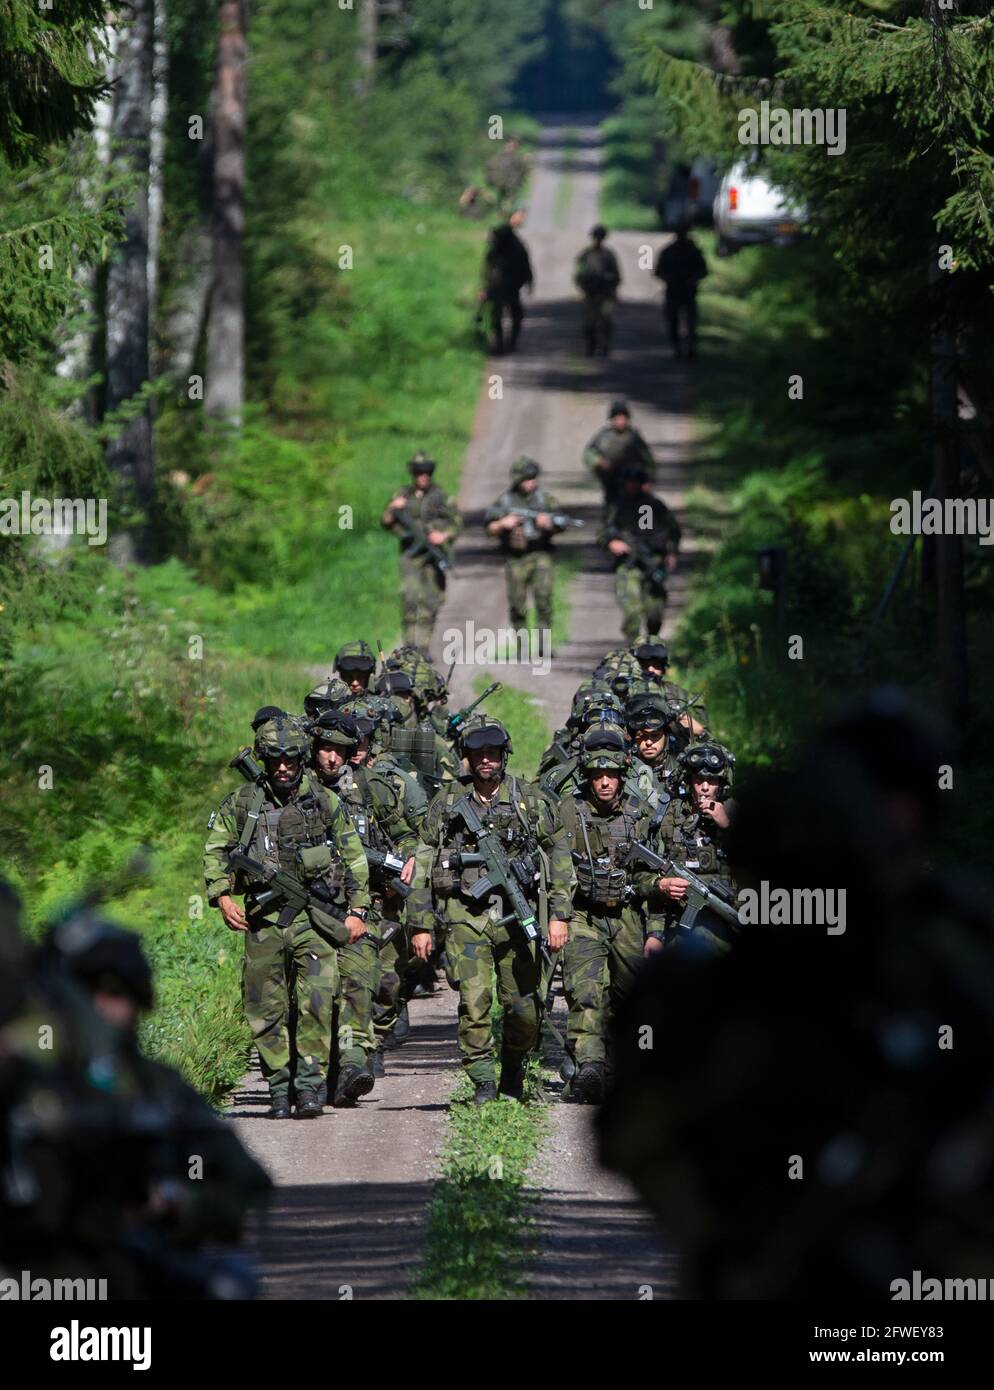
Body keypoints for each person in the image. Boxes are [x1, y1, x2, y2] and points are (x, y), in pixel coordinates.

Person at [203, 715, 370, 1119]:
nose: (282, 767)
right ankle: (279, 1088)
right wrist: (222, 896)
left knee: (316, 1001)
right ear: (263, 759)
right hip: (263, 922)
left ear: (301, 759)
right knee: (265, 1007)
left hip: (314, 922)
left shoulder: (324, 801)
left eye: (290, 759)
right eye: (274, 759)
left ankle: (309, 1087)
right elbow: (215, 850)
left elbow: (353, 856)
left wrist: (358, 909)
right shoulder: (243, 803)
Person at [407, 715, 574, 1104]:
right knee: (473, 1001)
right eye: (478, 753)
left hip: (519, 917)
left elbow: (560, 853)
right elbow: (422, 860)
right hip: (467, 917)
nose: (486, 760)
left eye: (493, 753)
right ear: (467, 757)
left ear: (504, 755)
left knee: (525, 1009)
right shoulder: (448, 802)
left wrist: (559, 915)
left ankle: (513, 1070)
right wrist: (420, 923)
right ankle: (482, 1080)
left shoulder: (528, 800)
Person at [309, 710, 420, 1086]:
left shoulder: (372, 787)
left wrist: (405, 862)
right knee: (324, 986)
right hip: (315, 904)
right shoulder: (300, 789)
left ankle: (370, 1045)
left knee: (382, 984)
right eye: (326, 748)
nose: (333, 757)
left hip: (373, 900)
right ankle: (337, 1062)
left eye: (342, 749)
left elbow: (404, 834)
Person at [559, 735, 665, 1103]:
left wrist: (655, 932)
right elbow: (553, 870)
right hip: (582, 916)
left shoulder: (641, 815)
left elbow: (653, 879)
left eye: (611, 774)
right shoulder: (567, 813)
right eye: (597, 774)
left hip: (628, 917)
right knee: (586, 991)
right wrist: (556, 919)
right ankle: (589, 1065)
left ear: (622, 776)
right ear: (587, 776)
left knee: (630, 997)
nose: (604, 781)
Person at [649, 742, 739, 958]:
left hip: (730, 924)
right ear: (689, 782)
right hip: (679, 927)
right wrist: (655, 933)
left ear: (721, 784)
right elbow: (650, 874)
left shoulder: (737, 813)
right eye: (699, 780)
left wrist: (728, 827)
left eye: (711, 781)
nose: (705, 787)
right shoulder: (669, 816)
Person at [483, 456, 567, 652]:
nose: (531, 483)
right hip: (516, 558)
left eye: (534, 478)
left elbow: (561, 523)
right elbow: (489, 527)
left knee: (544, 600)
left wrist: (549, 525)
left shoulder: (545, 499)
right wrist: (503, 524)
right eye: (527, 479)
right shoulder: (505, 501)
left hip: (540, 555)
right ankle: (522, 645)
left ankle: (543, 645)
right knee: (517, 604)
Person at [380, 452, 461, 647]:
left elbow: (457, 523)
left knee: (432, 600)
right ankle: (409, 644)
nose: (423, 476)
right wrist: (392, 508)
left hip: (434, 554)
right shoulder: (403, 495)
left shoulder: (441, 496)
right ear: (413, 473)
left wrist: (443, 535)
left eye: (427, 472)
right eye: (419, 472)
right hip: (412, 556)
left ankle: (424, 645)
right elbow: (385, 522)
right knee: (410, 598)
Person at [599, 467, 681, 644]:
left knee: (654, 613)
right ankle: (633, 651)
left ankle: (652, 648)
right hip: (628, 565)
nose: (633, 487)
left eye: (637, 483)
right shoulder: (616, 507)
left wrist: (672, 552)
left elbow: (673, 530)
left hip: (653, 563)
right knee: (632, 612)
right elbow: (603, 532)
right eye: (630, 483)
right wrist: (611, 542)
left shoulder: (655, 506)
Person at [582, 401, 655, 509]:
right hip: (612, 481)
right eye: (617, 418)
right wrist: (599, 462)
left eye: (623, 418)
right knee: (612, 509)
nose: (621, 422)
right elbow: (589, 453)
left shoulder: (634, 438)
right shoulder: (604, 437)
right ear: (612, 420)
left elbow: (648, 460)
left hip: (634, 483)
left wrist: (648, 480)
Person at [653, 219, 708, 359]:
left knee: (690, 323)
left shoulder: (692, 251)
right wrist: (669, 279)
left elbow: (703, 271)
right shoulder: (670, 251)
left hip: (687, 291)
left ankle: (689, 350)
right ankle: (678, 349)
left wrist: (692, 279)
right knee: (674, 322)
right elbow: (658, 271)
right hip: (674, 291)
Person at [480, 220, 534, 355]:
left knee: (514, 315)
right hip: (499, 288)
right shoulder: (498, 249)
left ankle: (509, 342)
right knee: (498, 316)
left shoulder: (516, 248)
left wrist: (529, 281)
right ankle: (500, 343)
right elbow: (488, 269)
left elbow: (525, 266)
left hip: (511, 287)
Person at [574, 224, 621, 356]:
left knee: (606, 321)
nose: (598, 239)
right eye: (596, 237)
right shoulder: (586, 255)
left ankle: (605, 345)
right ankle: (591, 346)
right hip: (591, 294)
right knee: (590, 323)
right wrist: (586, 286)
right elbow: (578, 274)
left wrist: (609, 284)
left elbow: (617, 276)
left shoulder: (608, 255)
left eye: (600, 237)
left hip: (606, 294)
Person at [484, 135, 529, 214]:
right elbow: (490, 169)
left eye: (514, 144)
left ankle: (509, 217)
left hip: (512, 187)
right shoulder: (497, 157)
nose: (511, 146)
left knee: (511, 205)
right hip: (498, 185)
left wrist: (519, 182)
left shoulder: (518, 158)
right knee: (499, 204)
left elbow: (524, 172)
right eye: (510, 144)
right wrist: (491, 181)